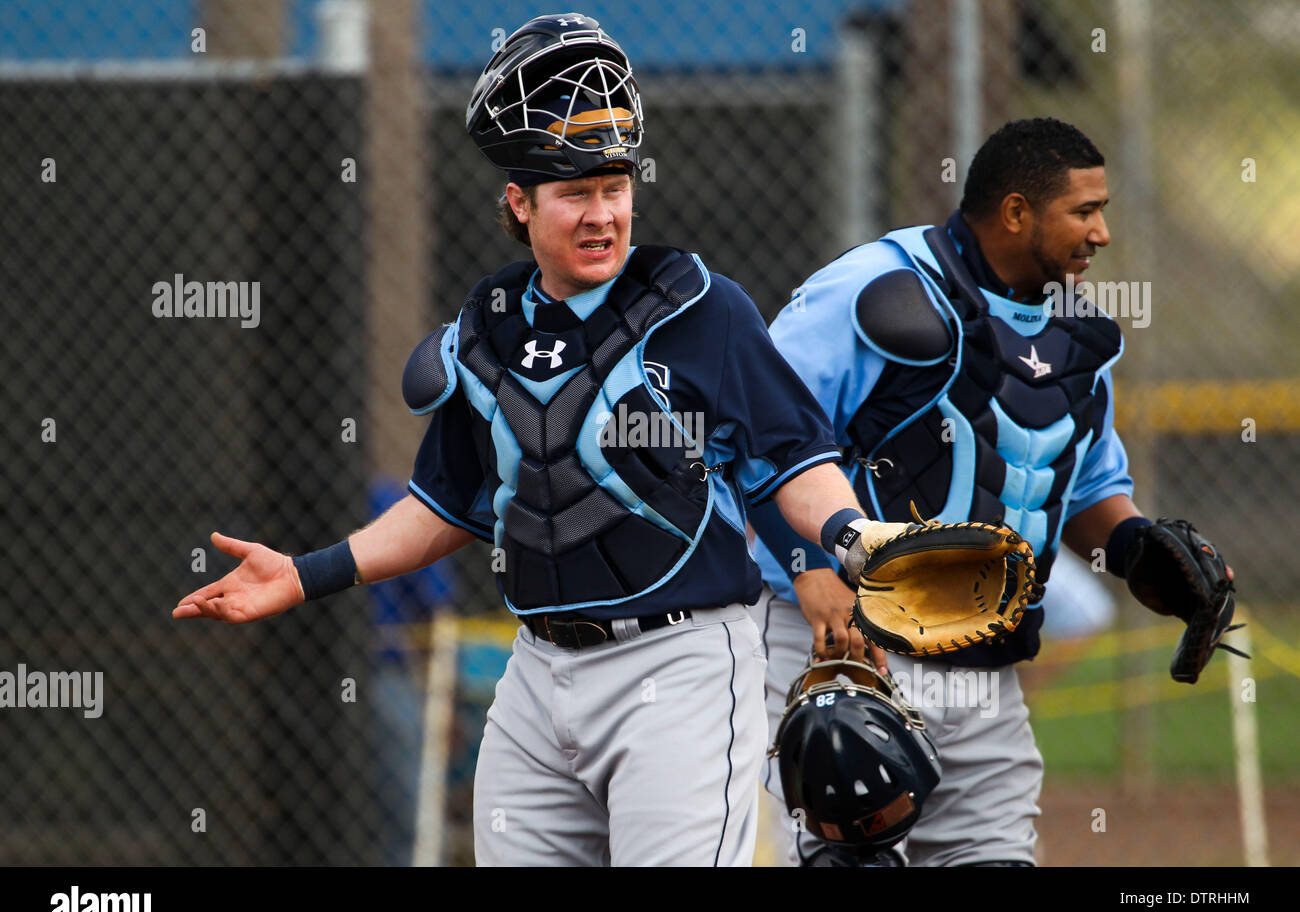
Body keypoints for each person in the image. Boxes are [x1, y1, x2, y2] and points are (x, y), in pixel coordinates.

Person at [173, 12, 909, 867]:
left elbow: (795, 460)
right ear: (519, 204)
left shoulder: (702, 311)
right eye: (573, 194)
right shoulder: (486, 330)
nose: (601, 215)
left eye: (615, 188)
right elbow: (442, 505)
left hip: (679, 664)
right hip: (535, 677)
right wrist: (304, 574)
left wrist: (853, 538)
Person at [748, 117, 1232, 866]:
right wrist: (808, 569)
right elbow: (757, 436)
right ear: (1015, 213)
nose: (1101, 233)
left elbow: (1083, 488)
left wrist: (1138, 547)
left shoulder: (1078, 337)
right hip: (850, 643)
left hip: (986, 661)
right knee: (852, 861)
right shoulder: (877, 290)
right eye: (1084, 210)